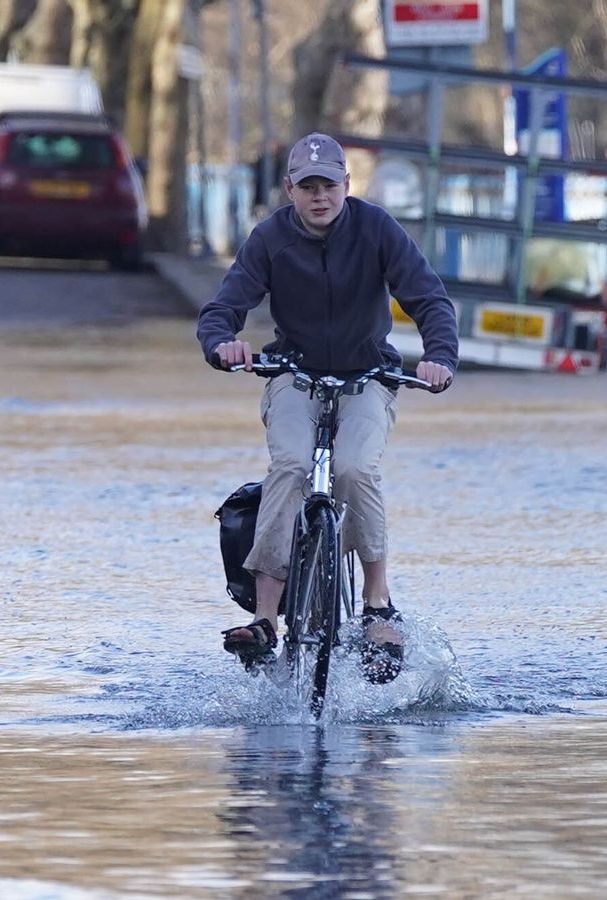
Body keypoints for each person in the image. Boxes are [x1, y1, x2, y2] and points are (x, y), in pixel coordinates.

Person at [196, 132, 458, 682]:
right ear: (289, 189)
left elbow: (430, 300)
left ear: (347, 185)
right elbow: (224, 307)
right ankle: (266, 620)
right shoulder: (269, 239)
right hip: (293, 372)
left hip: (369, 374)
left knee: (355, 467)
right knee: (289, 467)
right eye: (308, 186)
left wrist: (439, 357)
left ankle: (378, 606)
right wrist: (223, 343)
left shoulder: (377, 228)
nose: (320, 197)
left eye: (330, 185)